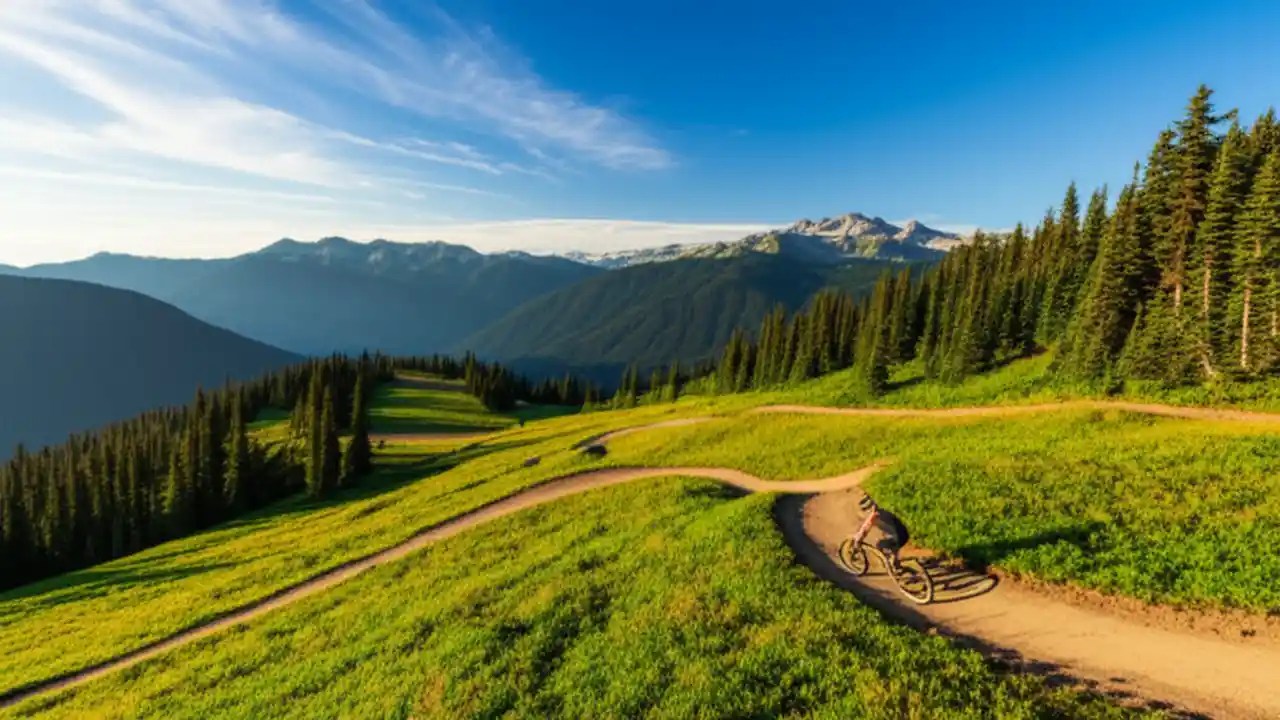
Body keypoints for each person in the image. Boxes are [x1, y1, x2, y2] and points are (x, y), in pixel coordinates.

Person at [852, 493, 910, 572]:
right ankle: (895, 562)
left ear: (868, 509)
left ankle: (888, 563)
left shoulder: (873, 517)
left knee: (879, 544)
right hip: (905, 535)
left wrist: (857, 541)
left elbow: (864, 530)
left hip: (898, 539)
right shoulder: (883, 511)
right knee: (890, 539)